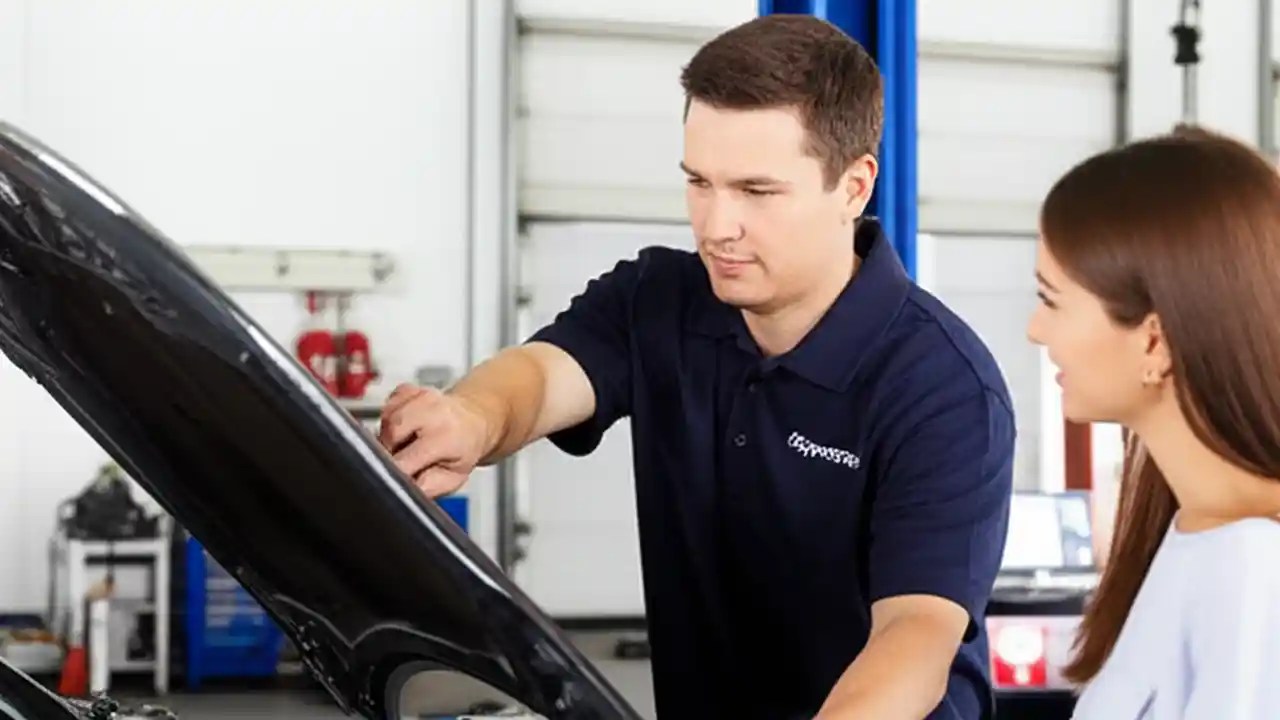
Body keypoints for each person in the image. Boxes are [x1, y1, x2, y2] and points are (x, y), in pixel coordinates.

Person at [381, 15, 1015, 720]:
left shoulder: (944, 388)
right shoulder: (658, 301)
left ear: (854, 186)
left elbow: (915, 636)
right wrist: (470, 415)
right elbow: (538, 378)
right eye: (699, 183)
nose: (716, 225)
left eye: (756, 191)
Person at [1025, 125, 1280, 718]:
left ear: (1154, 340)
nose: (1036, 329)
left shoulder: (1252, 569)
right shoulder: (1194, 528)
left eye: (1052, 300)